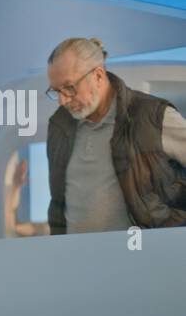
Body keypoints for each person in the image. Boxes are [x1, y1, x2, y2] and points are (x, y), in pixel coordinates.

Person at [44, 37, 186, 234]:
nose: (62, 100)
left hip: (142, 258)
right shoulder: (59, 125)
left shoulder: (153, 117)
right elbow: (58, 204)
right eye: (55, 90)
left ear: (99, 76)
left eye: (69, 88)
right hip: (76, 259)